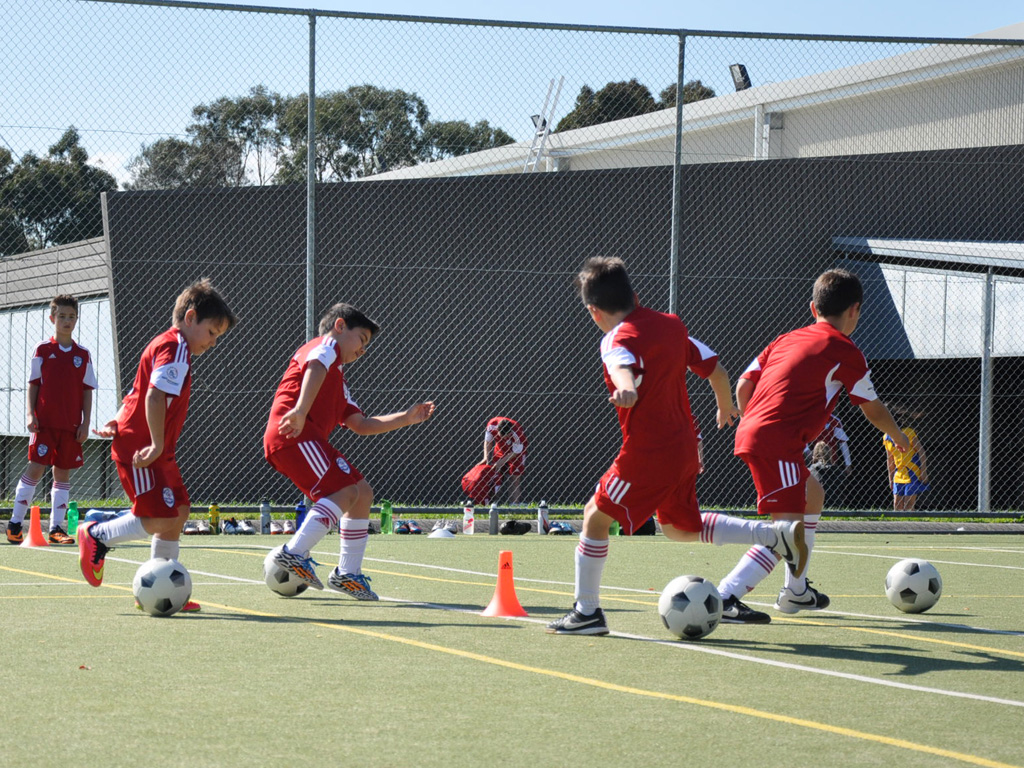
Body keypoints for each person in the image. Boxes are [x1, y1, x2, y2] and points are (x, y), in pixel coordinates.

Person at [546, 256, 807, 636]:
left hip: (648, 453)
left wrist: (627, 389)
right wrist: (724, 405)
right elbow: (715, 368)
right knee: (679, 528)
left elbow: (621, 365)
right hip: (686, 446)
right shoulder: (671, 325)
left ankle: (587, 613)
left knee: (594, 517)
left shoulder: (614, 338)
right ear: (635, 295)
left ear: (593, 311)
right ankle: (771, 535)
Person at [717, 269, 909, 622]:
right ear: (855, 310)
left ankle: (796, 592)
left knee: (813, 495)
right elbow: (873, 407)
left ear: (812, 307)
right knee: (786, 533)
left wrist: (754, 421)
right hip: (777, 441)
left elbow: (744, 385)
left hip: (760, 433)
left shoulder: (785, 339)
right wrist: (898, 437)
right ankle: (724, 596)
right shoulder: (846, 351)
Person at [77, 279, 237, 614]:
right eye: (212, 332)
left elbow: (137, 390)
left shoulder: (169, 345)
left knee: (178, 511)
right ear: (190, 318)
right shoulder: (176, 346)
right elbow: (153, 395)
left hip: (153, 446)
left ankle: (163, 584)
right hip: (143, 446)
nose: (214, 342)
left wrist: (118, 417)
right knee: (159, 516)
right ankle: (98, 532)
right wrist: (153, 442)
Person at [264, 302, 435, 598]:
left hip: (307, 440)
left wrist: (406, 418)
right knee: (343, 492)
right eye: (362, 339)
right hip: (292, 436)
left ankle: (347, 574)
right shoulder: (325, 346)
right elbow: (315, 366)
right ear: (340, 326)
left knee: (361, 492)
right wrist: (301, 410)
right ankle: (294, 552)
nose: (363, 350)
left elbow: (361, 423)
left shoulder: (338, 378)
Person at [6, 295, 96, 545]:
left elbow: (88, 390)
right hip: (44, 423)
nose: (67, 321)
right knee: (35, 468)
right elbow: (33, 383)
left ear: (76, 319)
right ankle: (15, 524)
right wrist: (30, 414)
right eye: (62, 316)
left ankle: (56, 528)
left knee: (62, 473)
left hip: (71, 426)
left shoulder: (83, 354)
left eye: (71, 317)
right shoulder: (43, 349)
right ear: (52, 318)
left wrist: (86, 422)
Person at [884, 413, 929, 511]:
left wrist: (923, 472)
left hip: (912, 472)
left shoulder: (908, 433)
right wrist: (890, 478)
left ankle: (911, 525)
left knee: (908, 504)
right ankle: (898, 525)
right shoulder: (886, 437)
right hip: (899, 473)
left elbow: (921, 452)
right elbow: (890, 459)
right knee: (897, 505)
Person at [482, 417, 527, 504]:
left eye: (508, 436)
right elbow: (488, 442)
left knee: (515, 476)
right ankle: (492, 503)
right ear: (497, 430)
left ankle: (514, 503)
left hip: (517, 452)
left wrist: (501, 462)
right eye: (502, 436)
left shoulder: (517, 432)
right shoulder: (491, 425)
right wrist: (486, 458)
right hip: (501, 449)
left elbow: (515, 452)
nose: (505, 438)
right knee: (495, 475)